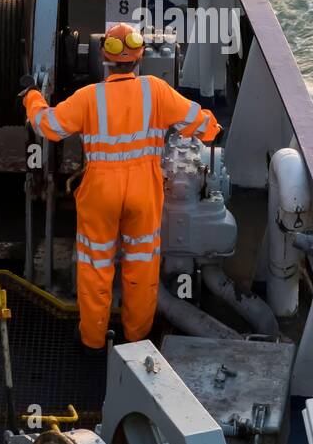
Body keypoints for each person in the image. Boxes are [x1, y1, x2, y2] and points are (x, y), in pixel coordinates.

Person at [21, 22, 220, 352]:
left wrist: (32, 96)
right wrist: (214, 128)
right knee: (141, 266)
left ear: (104, 58)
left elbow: (47, 127)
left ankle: (92, 340)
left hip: (100, 192)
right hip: (143, 191)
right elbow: (198, 123)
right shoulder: (154, 90)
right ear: (139, 58)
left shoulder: (87, 98)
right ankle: (136, 339)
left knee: (96, 267)